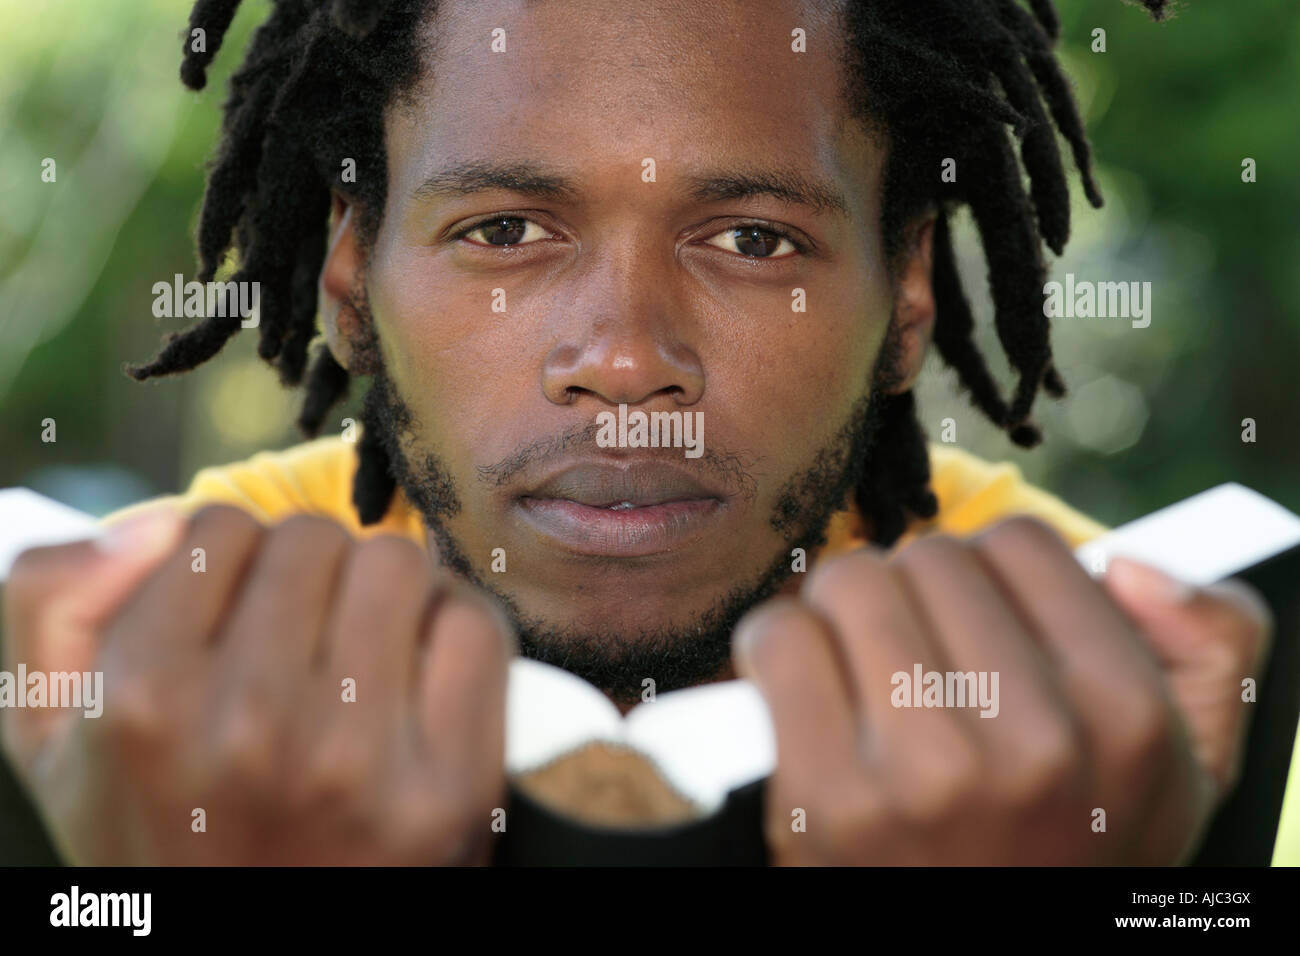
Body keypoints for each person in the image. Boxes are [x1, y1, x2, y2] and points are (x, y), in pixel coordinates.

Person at [2, 0, 1290, 865]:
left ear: (904, 309)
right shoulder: (124, 657)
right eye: (504, 231)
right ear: (353, 291)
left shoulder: (1107, 680)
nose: (624, 359)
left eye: (752, 241)